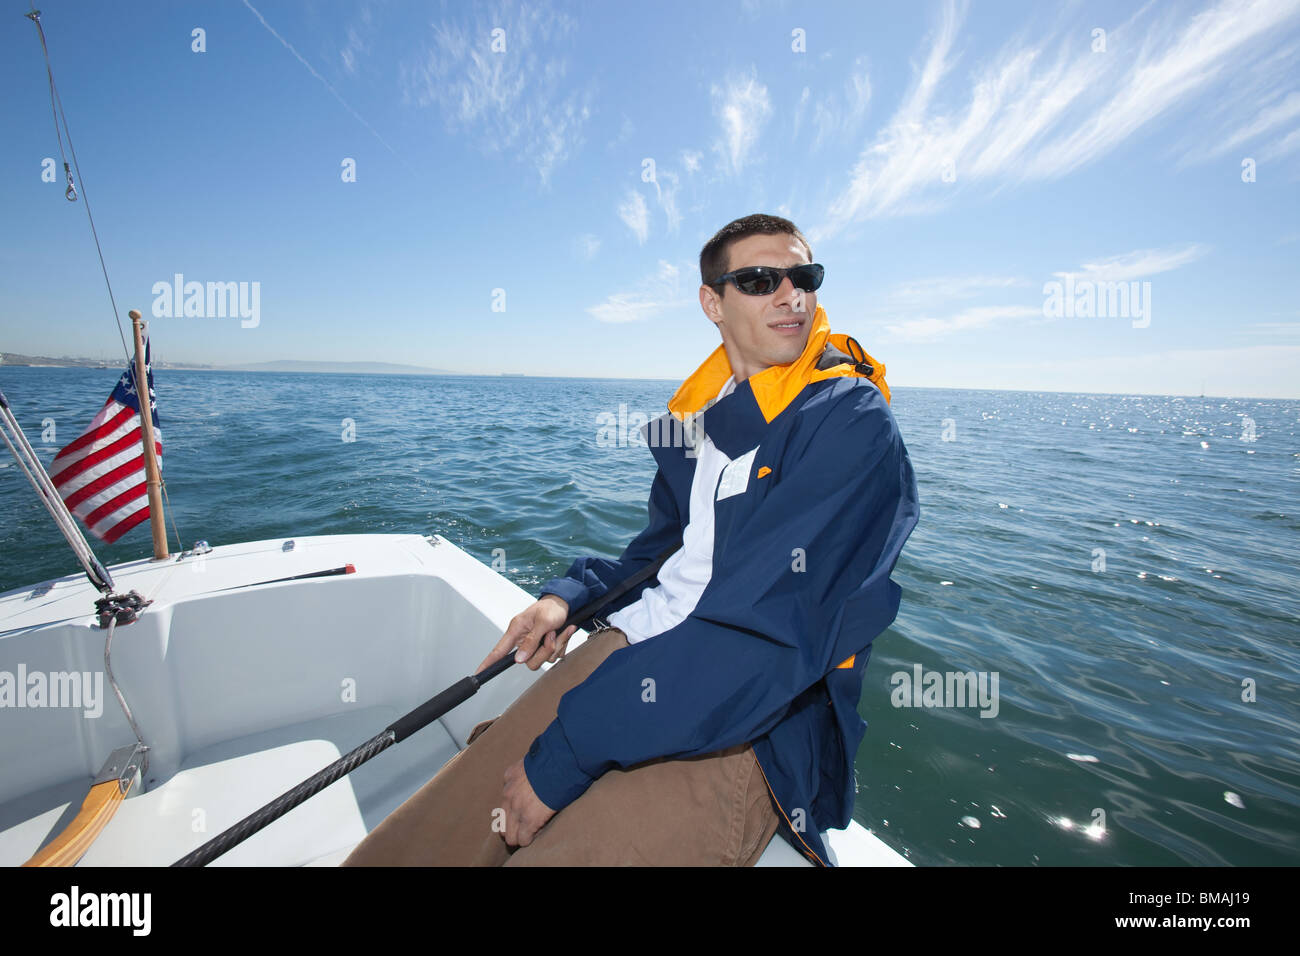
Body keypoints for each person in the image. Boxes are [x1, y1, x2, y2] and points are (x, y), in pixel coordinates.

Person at [343, 213, 919, 866]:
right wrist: (568, 599)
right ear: (713, 302)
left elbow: (765, 638)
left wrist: (564, 754)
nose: (792, 297)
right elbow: (660, 557)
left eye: (804, 277)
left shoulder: (849, 424)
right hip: (636, 651)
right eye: (760, 280)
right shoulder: (705, 423)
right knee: (416, 843)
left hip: (746, 722)